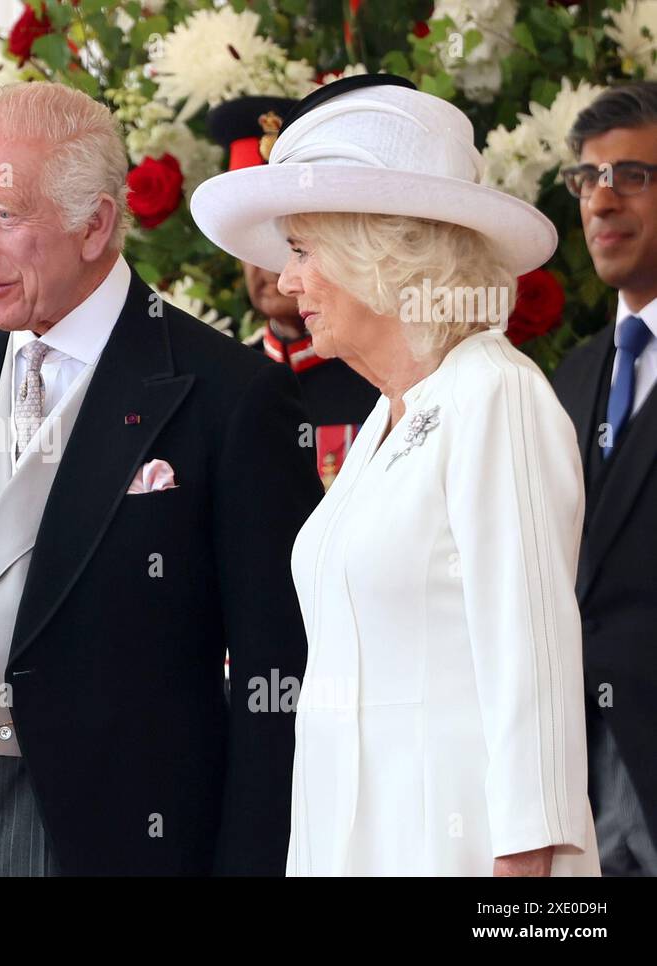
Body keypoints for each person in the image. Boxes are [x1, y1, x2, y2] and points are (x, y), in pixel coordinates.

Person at [0, 82, 322, 876]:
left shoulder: (231, 395)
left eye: (3, 216)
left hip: (127, 833)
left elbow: (275, 677)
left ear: (97, 225)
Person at [192, 74, 600, 875]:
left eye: (305, 250)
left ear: (380, 251)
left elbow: (535, 668)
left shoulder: (496, 393)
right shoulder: (392, 413)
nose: (288, 279)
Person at [555, 82, 657, 875]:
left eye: (633, 175)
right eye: (587, 179)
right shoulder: (572, 376)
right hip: (573, 785)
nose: (602, 199)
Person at [207, 96, 377, 486]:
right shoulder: (222, 379)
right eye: (245, 240)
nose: (264, 264)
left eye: (286, 241)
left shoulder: (377, 376)